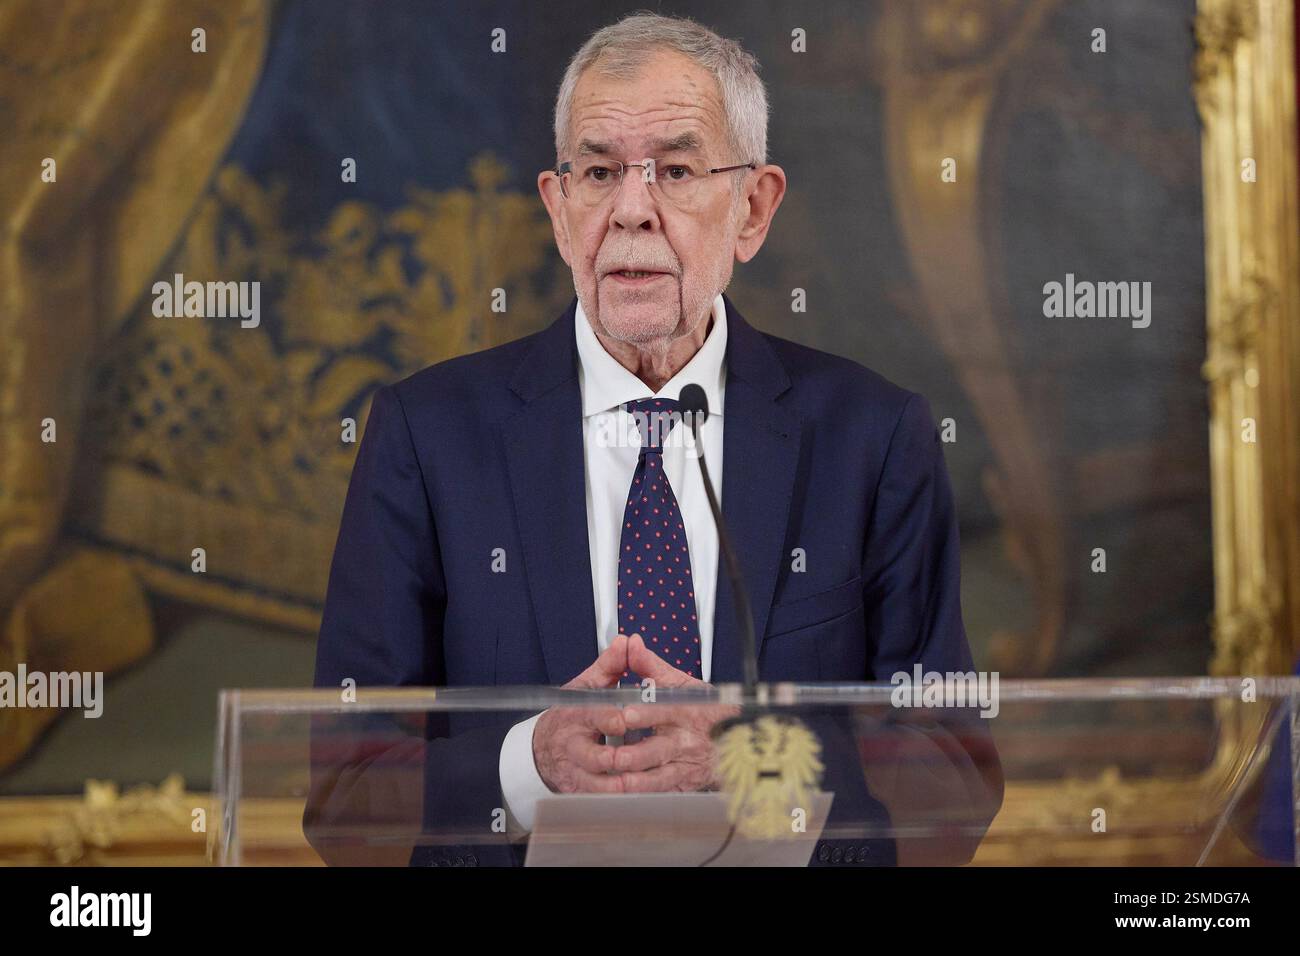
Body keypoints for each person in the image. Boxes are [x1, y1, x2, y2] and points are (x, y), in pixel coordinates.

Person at [307, 11, 1001, 867]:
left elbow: (953, 782)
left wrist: (748, 768)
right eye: (598, 171)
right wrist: (531, 764)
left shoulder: (872, 438)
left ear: (753, 207)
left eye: (675, 169)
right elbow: (344, 798)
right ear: (561, 212)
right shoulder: (428, 436)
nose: (632, 210)